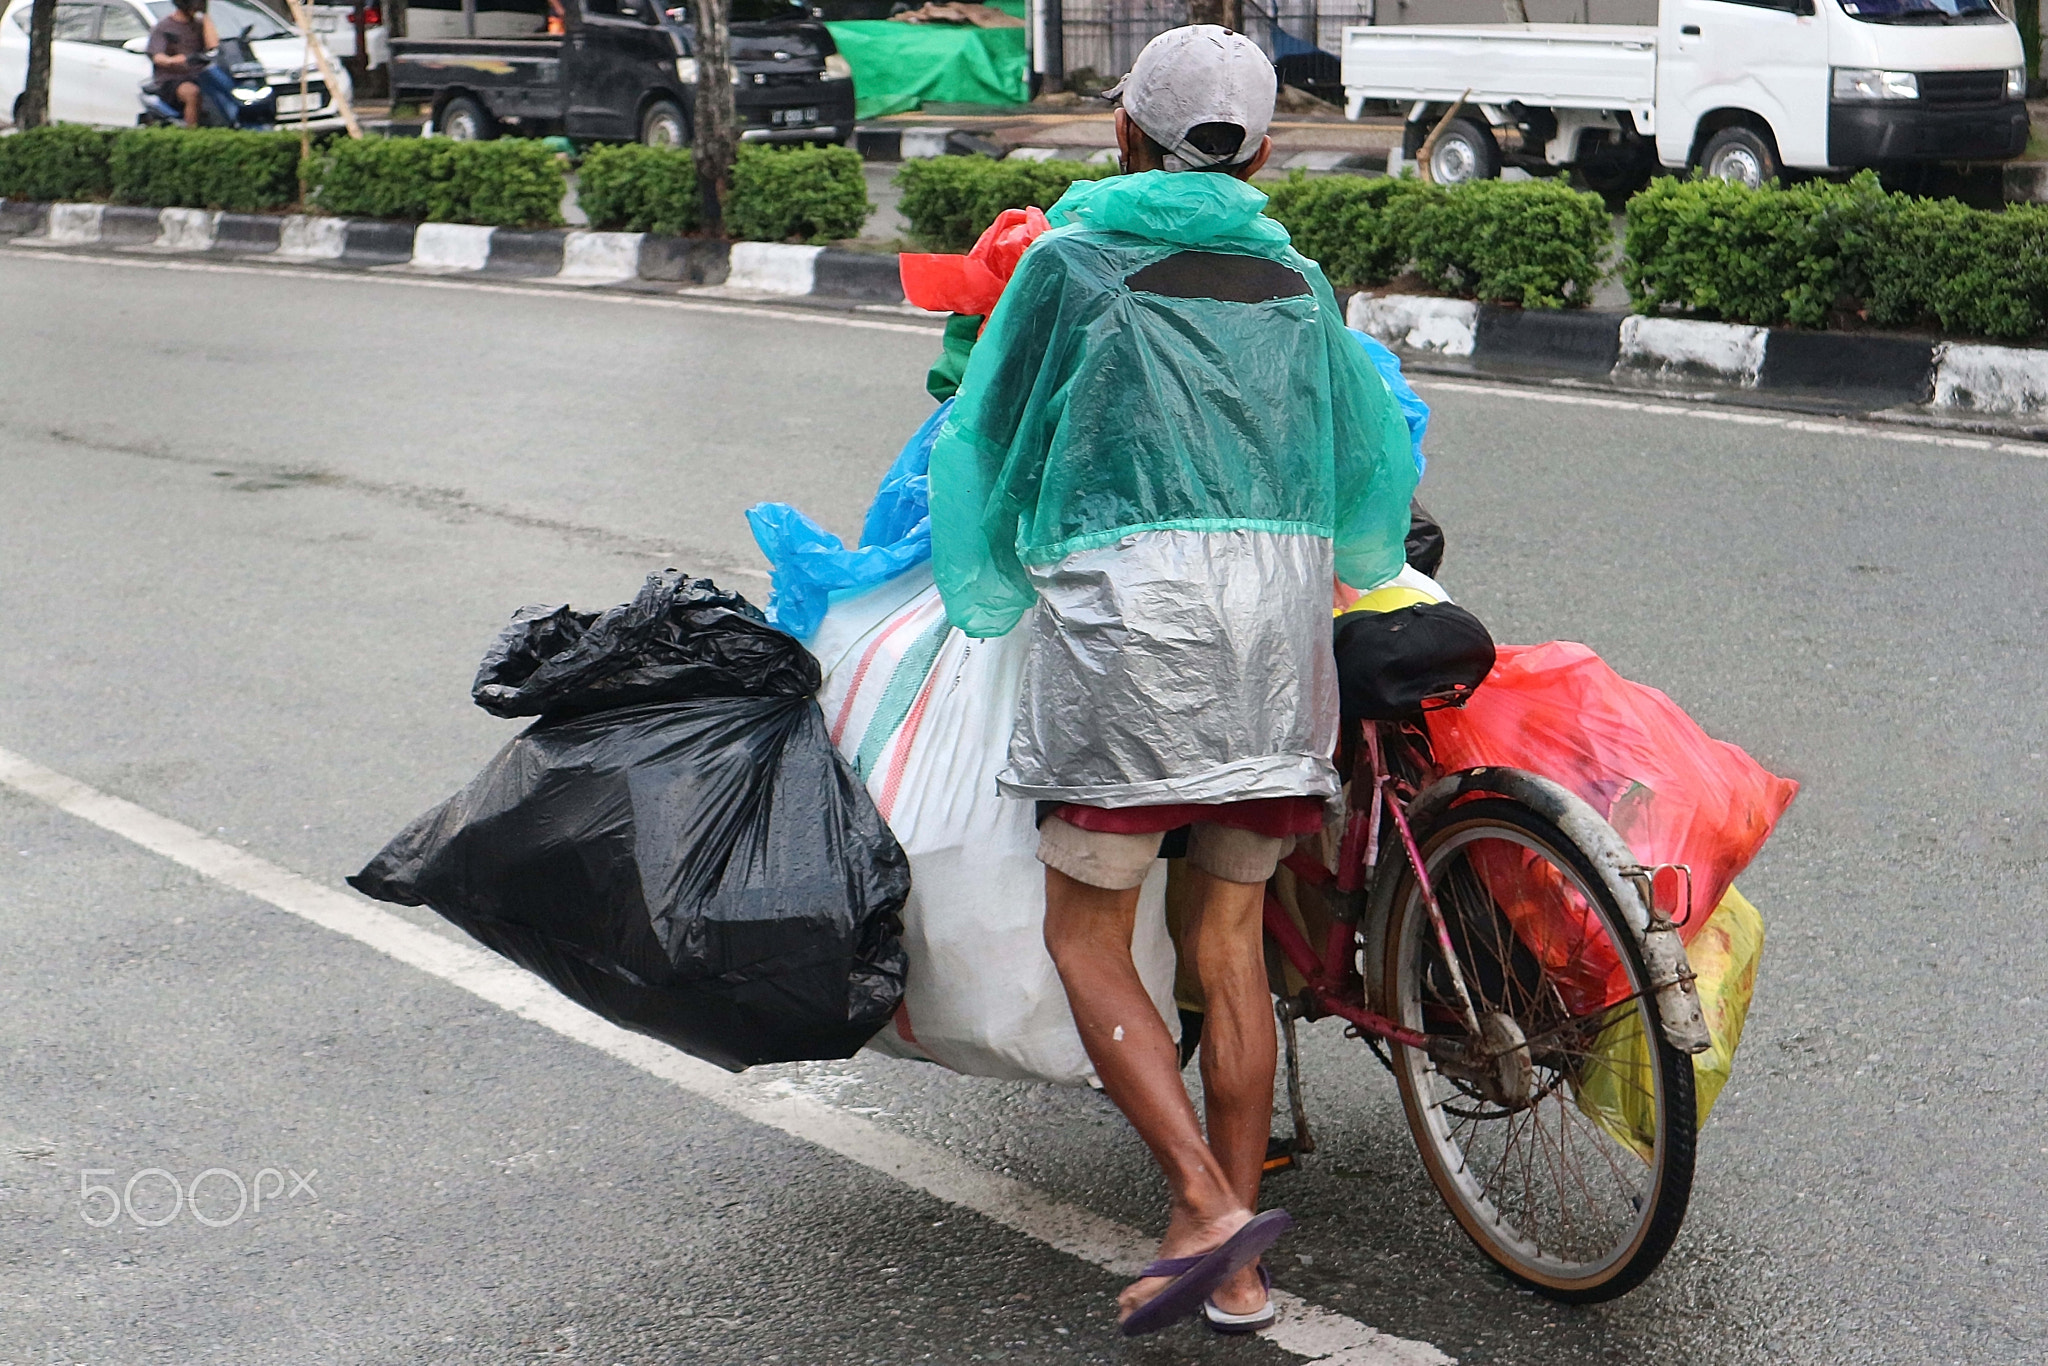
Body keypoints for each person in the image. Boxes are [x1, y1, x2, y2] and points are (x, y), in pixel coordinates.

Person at [926, 25, 1418, 1338]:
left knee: (1087, 933)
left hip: (1127, 638)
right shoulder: (1295, 280)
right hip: (1273, 642)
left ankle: (1203, 1202)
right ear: (1260, 152)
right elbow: (1367, 462)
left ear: (1122, 132)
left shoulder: (1071, 262)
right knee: (1229, 940)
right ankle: (1236, 1268)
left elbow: (988, 437)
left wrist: (990, 582)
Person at [144, 0, 220, 128]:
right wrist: (173, 60)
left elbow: (213, 46)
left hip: (200, 75)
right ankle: (191, 131)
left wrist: (206, 16)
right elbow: (157, 57)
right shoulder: (164, 27)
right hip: (172, 80)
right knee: (192, 93)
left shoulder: (199, 25)